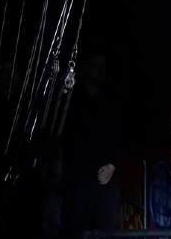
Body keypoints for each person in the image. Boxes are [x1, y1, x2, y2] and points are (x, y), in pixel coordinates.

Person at [60, 49, 121, 238]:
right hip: (78, 175)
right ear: (85, 68)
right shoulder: (72, 99)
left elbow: (116, 135)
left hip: (105, 173)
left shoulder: (109, 100)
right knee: (76, 227)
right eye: (96, 65)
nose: (101, 70)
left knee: (107, 228)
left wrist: (112, 163)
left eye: (104, 66)